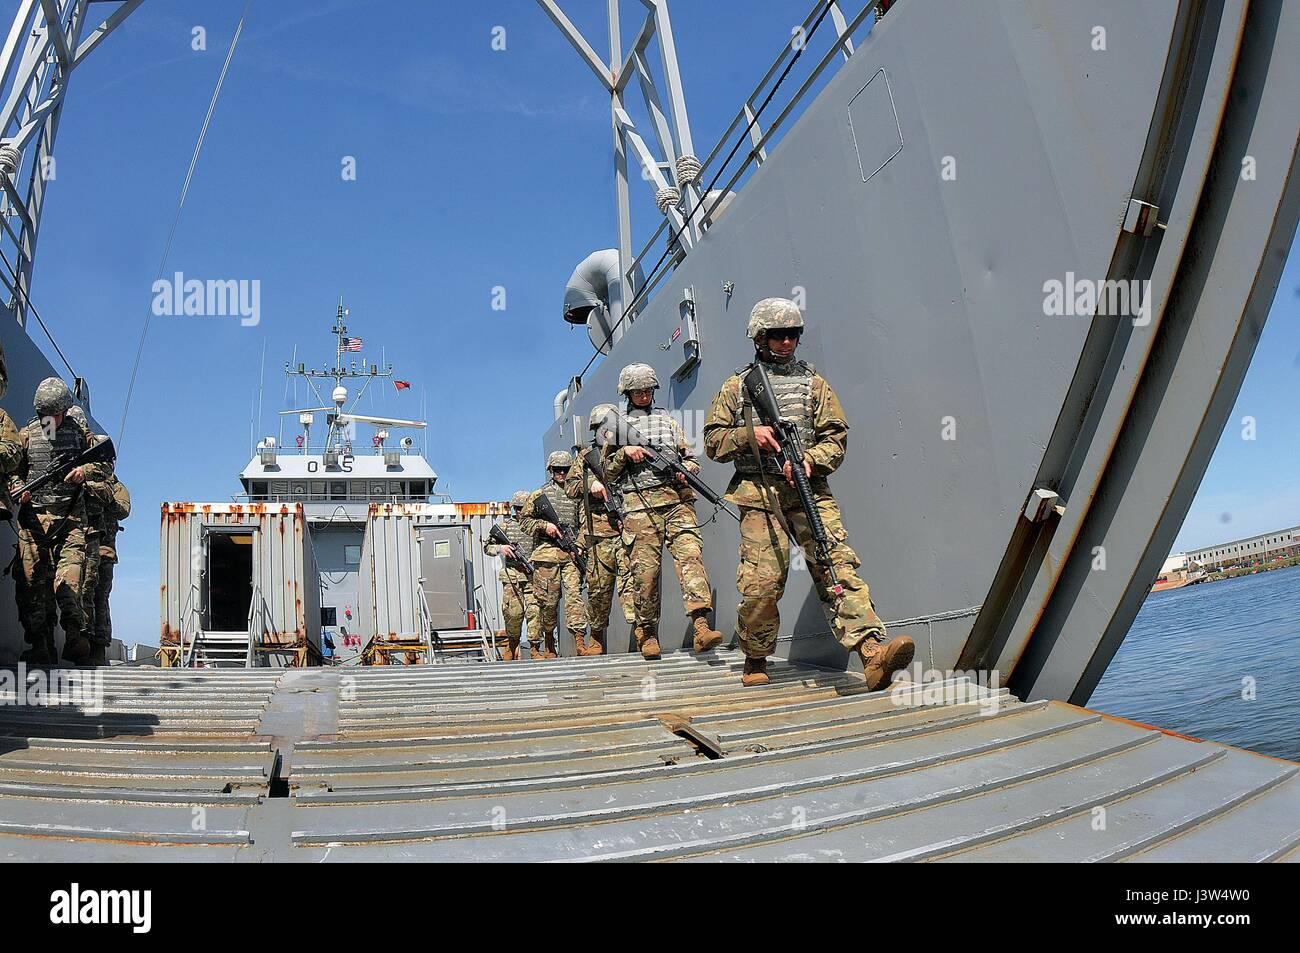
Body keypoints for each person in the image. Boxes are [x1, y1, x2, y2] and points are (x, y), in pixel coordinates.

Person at [703, 298, 914, 689]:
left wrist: (810, 460)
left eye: (793, 335)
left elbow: (836, 436)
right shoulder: (737, 386)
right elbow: (713, 443)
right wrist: (751, 436)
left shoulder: (814, 384)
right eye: (778, 336)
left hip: (810, 489)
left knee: (836, 564)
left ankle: (871, 653)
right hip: (760, 494)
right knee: (762, 584)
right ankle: (755, 655)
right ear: (759, 338)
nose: (787, 343)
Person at [603, 363, 722, 659]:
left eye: (648, 390)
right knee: (646, 575)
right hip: (639, 508)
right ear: (627, 393)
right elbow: (604, 471)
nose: (644, 395)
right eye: (638, 391)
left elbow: (691, 458)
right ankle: (647, 631)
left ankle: (701, 626)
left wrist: (687, 471)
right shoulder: (616, 427)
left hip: (677, 502)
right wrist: (623, 454)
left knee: (691, 558)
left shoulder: (668, 422)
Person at [8, 378, 104, 665]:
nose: (49, 420)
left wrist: (84, 471)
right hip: (34, 522)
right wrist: (18, 488)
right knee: (30, 587)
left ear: (65, 410)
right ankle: (40, 646)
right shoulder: (27, 435)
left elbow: (104, 467)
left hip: (70, 519)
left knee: (70, 583)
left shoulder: (80, 435)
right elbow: (14, 470)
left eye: (55, 414)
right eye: (44, 415)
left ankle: (76, 638)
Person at [565, 403, 626, 656]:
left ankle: (646, 635)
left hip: (630, 528)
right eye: (602, 427)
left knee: (634, 585)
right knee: (599, 590)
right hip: (599, 533)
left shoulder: (628, 448)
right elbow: (571, 487)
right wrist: (590, 485)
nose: (607, 431)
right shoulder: (586, 457)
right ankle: (597, 637)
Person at [520, 451, 588, 658]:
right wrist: (544, 525)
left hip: (571, 553)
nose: (561, 473)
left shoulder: (576, 493)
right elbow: (524, 522)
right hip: (547, 554)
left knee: (575, 597)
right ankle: (549, 640)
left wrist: (580, 545)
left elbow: (585, 522)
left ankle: (579, 641)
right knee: (548, 603)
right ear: (550, 470)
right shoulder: (539, 495)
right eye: (557, 469)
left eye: (565, 469)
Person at [482, 490, 540, 660]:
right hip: (512, 578)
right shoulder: (505, 527)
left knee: (535, 613)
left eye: (524, 507)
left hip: (532, 577)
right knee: (513, 615)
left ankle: (535, 648)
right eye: (518, 508)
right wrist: (501, 548)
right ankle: (512, 644)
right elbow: (487, 547)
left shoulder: (535, 526)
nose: (521, 511)